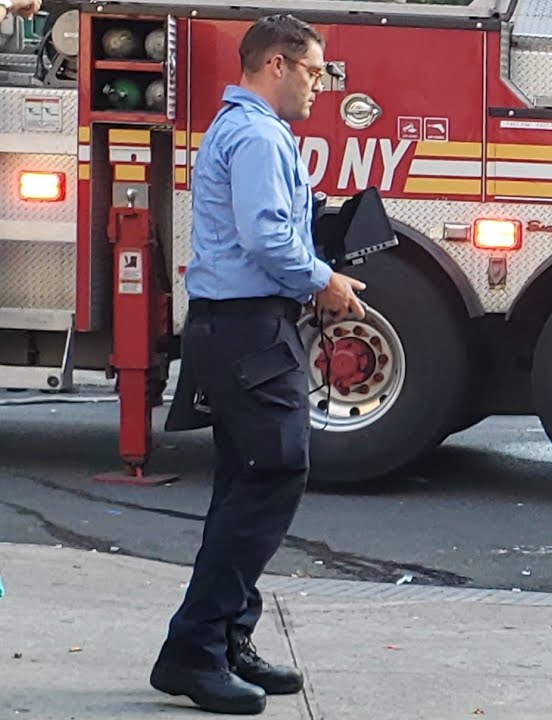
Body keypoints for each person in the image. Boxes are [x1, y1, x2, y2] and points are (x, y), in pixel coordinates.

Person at [149, 14, 366, 716]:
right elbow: (265, 233)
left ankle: (224, 640)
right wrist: (320, 280)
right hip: (247, 333)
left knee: (246, 484)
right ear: (275, 63)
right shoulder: (253, 134)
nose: (318, 87)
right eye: (312, 71)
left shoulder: (248, 131)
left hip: (242, 329)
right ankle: (194, 649)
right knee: (272, 476)